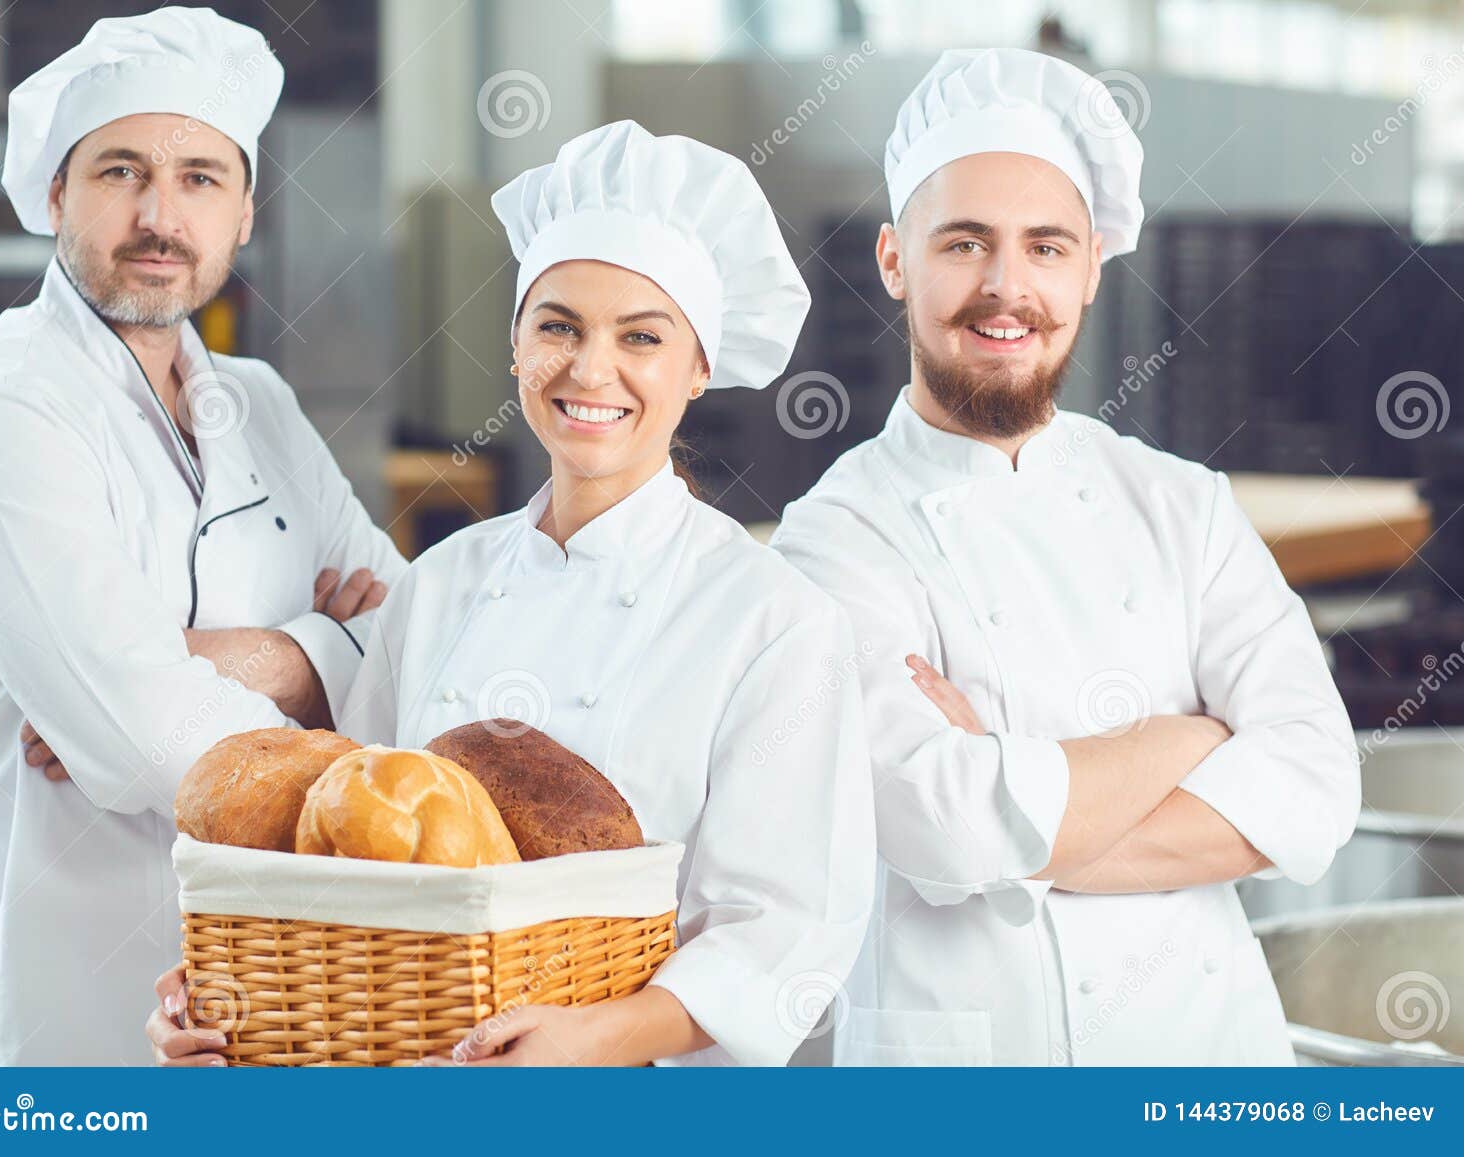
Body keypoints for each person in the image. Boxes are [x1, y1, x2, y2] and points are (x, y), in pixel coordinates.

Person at [146, 120, 877, 1068]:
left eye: (642, 337)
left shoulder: (774, 619)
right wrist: (227, 990)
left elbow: (785, 934)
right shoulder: (440, 583)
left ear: (699, 368)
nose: (589, 369)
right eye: (559, 325)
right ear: (516, 341)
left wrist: (590, 1036)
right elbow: (340, 849)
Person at [771, 47, 1359, 1065]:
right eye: (964, 242)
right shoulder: (832, 536)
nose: (1006, 288)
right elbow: (938, 824)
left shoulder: (1185, 506)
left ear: (1090, 264)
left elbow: (1316, 783)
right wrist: (1193, 736)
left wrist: (1014, 833)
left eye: (1044, 247)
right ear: (893, 260)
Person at [0, 7, 405, 1065]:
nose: (160, 215)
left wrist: (230, 662)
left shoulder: (261, 405)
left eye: (201, 177)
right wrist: (323, 655)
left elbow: (414, 648)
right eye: (121, 171)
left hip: (270, 1017)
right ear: (52, 194)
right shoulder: (0, 412)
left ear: (246, 212)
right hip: (64, 1032)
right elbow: (146, 746)